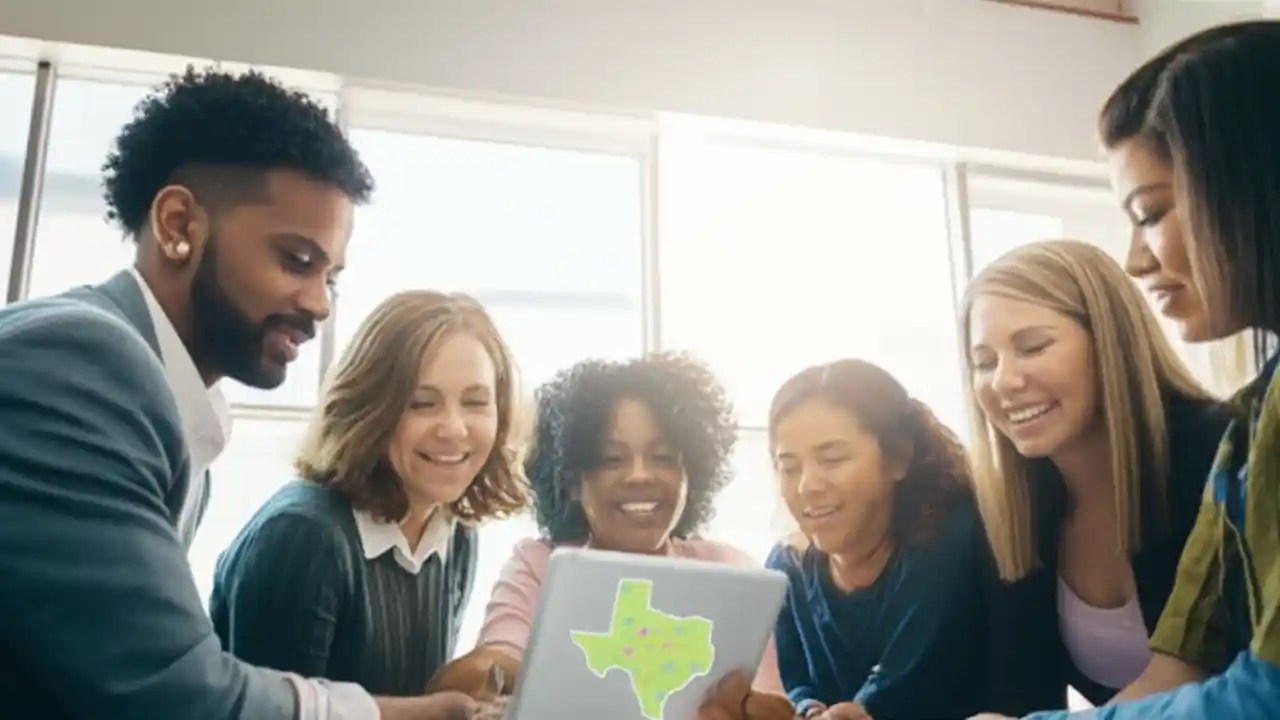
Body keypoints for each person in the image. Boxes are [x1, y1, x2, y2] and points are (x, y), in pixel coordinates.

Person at [0, 68, 472, 719]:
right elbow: (171, 692)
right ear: (177, 224)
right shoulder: (81, 364)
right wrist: (419, 714)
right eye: (297, 261)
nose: (320, 305)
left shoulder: (167, 407)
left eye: (331, 277)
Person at [984, 18, 1280, 720]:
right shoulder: (1250, 422)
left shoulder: (1211, 439)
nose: (1137, 259)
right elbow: (1182, 663)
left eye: (1150, 213)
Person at [210, 291, 528, 695]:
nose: (454, 428)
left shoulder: (454, 531)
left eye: (476, 403)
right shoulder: (303, 537)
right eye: (421, 403)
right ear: (370, 407)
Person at [963, 240, 1229, 716]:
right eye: (985, 362)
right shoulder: (1015, 511)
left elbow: (1215, 673)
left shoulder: (1219, 450)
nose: (1003, 381)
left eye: (1033, 347)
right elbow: (1018, 695)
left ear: (1110, 343)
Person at [427, 353, 783, 699]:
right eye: (612, 459)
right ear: (572, 481)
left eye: (663, 458)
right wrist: (495, 676)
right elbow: (497, 657)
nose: (640, 475)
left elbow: (769, 701)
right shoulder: (539, 564)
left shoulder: (731, 570)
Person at [766, 359, 987, 720]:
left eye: (832, 458)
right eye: (789, 467)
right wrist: (806, 709)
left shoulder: (947, 537)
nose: (807, 485)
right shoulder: (786, 566)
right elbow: (796, 679)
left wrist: (859, 710)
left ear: (898, 458)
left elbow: (902, 679)